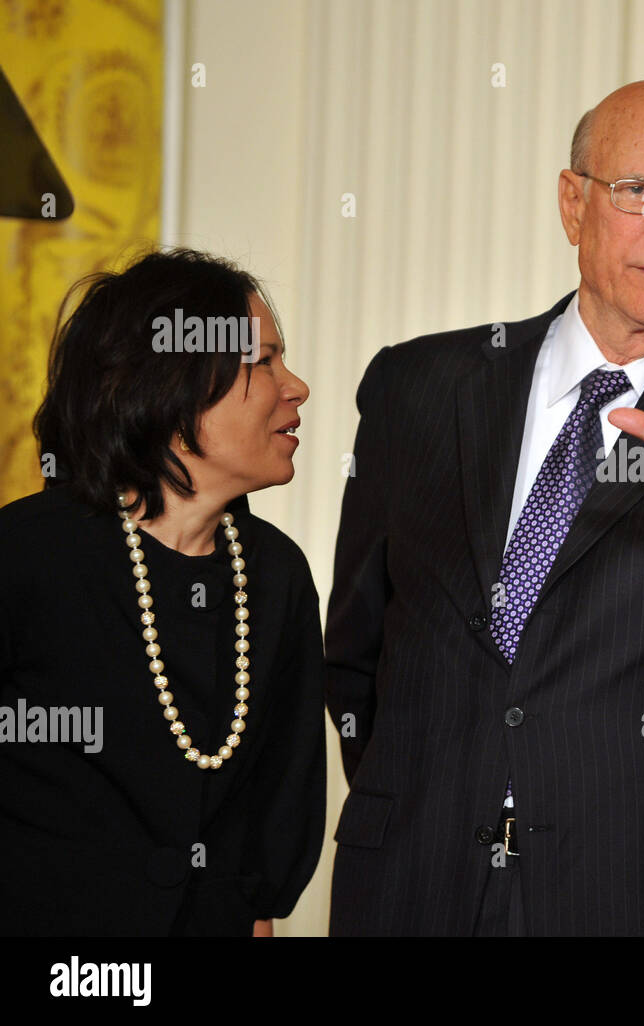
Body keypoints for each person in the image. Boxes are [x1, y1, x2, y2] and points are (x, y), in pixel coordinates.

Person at [325, 79, 644, 936]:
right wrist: (425, 797)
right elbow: (356, 648)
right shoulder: (418, 386)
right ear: (573, 203)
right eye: (636, 191)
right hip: (414, 881)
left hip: (642, 894)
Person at [0, 249, 325, 936]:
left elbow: (270, 815)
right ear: (171, 389)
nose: (295, 386)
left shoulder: (278, 576)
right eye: (262, 361)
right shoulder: (29, 555)